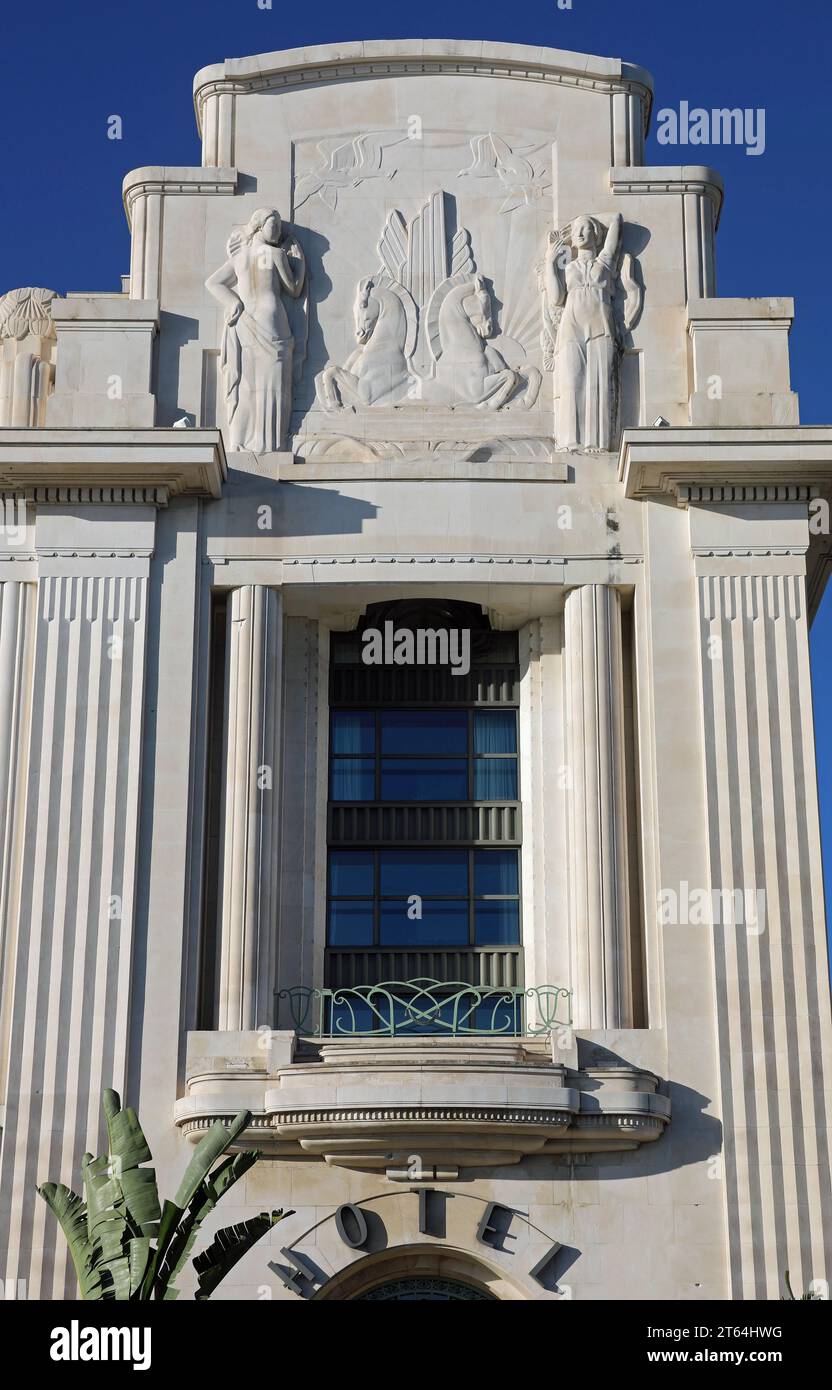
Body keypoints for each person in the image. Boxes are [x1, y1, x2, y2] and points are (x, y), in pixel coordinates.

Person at [206, 208, 306, 453]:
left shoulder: (240, 258)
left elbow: (213, 283)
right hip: (271, 321)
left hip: (245, 320)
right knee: (272, 383)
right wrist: (300, 263)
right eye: (275, 225)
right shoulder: (274, 254)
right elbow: (293, 288)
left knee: (248, 384)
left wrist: (233, 301)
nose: (279, 230)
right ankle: (269, 443)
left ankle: (244, 441)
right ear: (260, 226)